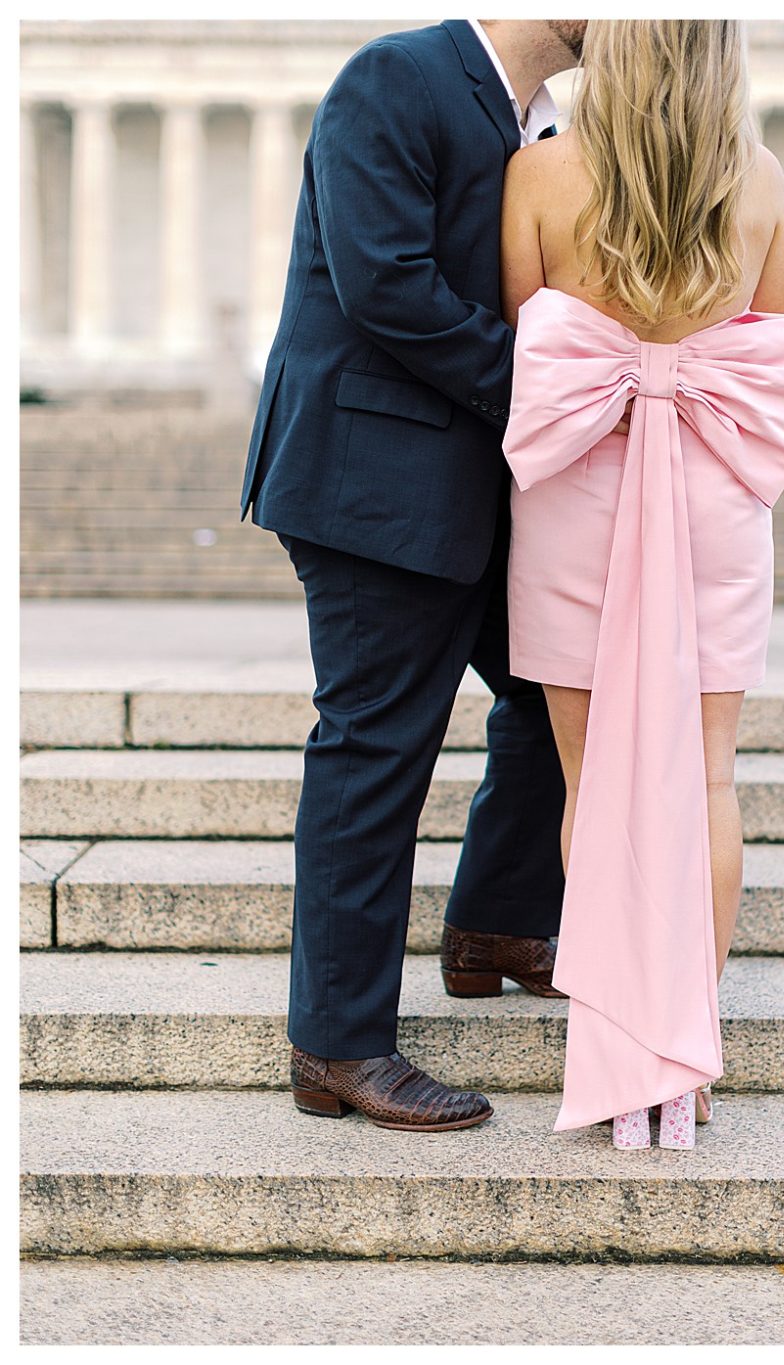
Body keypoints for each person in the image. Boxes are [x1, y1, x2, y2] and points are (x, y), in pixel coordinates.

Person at [241, 20, 589, 1132]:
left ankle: (495, 921)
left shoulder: (536, 122)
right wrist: (557, 390)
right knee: (376, 746)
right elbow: (383, 284)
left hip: (470, 484)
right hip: (371, 481)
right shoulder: (395, 79)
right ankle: (337, 1046)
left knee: (552, 687)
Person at [496, 19, 784, 1150]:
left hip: (581, 484)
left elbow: (521, 328)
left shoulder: (539, 173)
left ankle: (624, 1048)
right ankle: (684, 1057)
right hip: (712, 491)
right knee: (710, 782)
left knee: (594, 790)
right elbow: (765, 335)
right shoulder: (763, 180)